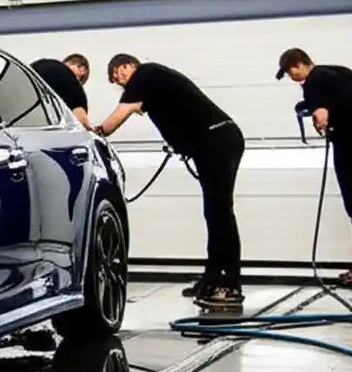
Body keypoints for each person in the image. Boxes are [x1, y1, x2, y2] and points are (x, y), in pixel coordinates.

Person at [94, 54, 245, 308]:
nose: (120, 84)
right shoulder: (154, 79)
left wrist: (95, 133)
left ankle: (229, 284)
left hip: (217, 141)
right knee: (214, 213)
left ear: (126, 66)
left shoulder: (145, 74)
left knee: (220, 212)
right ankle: (213, 277)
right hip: (215, 142)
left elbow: (119, 116)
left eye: (117, 77)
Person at [277, 48, 352, 288]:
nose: (291, 77)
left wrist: (320, 116)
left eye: (289, 72)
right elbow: (346, 100)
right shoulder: (339, 72)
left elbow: (322, 111)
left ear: (297, 65)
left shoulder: (314, 81)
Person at [31, 54, 91, 129]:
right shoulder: (71, 81)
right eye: (80, 80)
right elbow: (81, 121)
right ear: (82, 69)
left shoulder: (40, 64)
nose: (77, 83)